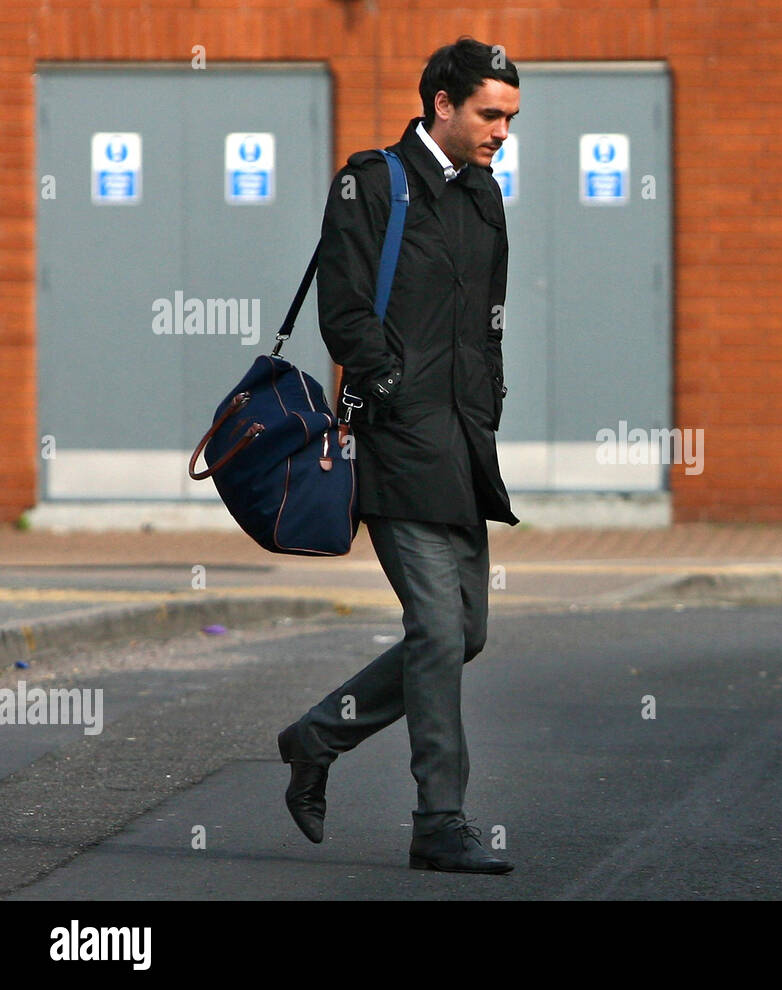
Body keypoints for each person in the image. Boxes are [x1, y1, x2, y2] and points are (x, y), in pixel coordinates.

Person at [276, 37, 521, 874]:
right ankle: (439, 820)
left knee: (465, 633)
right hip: (394, 441)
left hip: (462, 444)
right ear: (442, 104)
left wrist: (488, 396)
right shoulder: (372, 181)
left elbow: (488, 317)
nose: (501, 132)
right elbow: (345, 308)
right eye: (490, 114)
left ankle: (315, 736)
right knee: (436, 629)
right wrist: (382, 387)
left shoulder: (485, 196)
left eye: (511, 119)